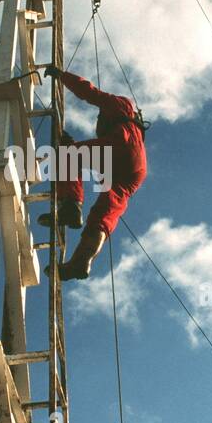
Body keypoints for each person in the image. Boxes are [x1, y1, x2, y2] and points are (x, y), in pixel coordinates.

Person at [41, 63, 147, 280]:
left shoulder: (120, 105)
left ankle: (70, 206)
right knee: (104, 214)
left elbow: (89, 92)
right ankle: (80, 263)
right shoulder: (129, 124)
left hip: (123, 147)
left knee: (67, 155)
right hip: (136, 168)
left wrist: (62, 75)